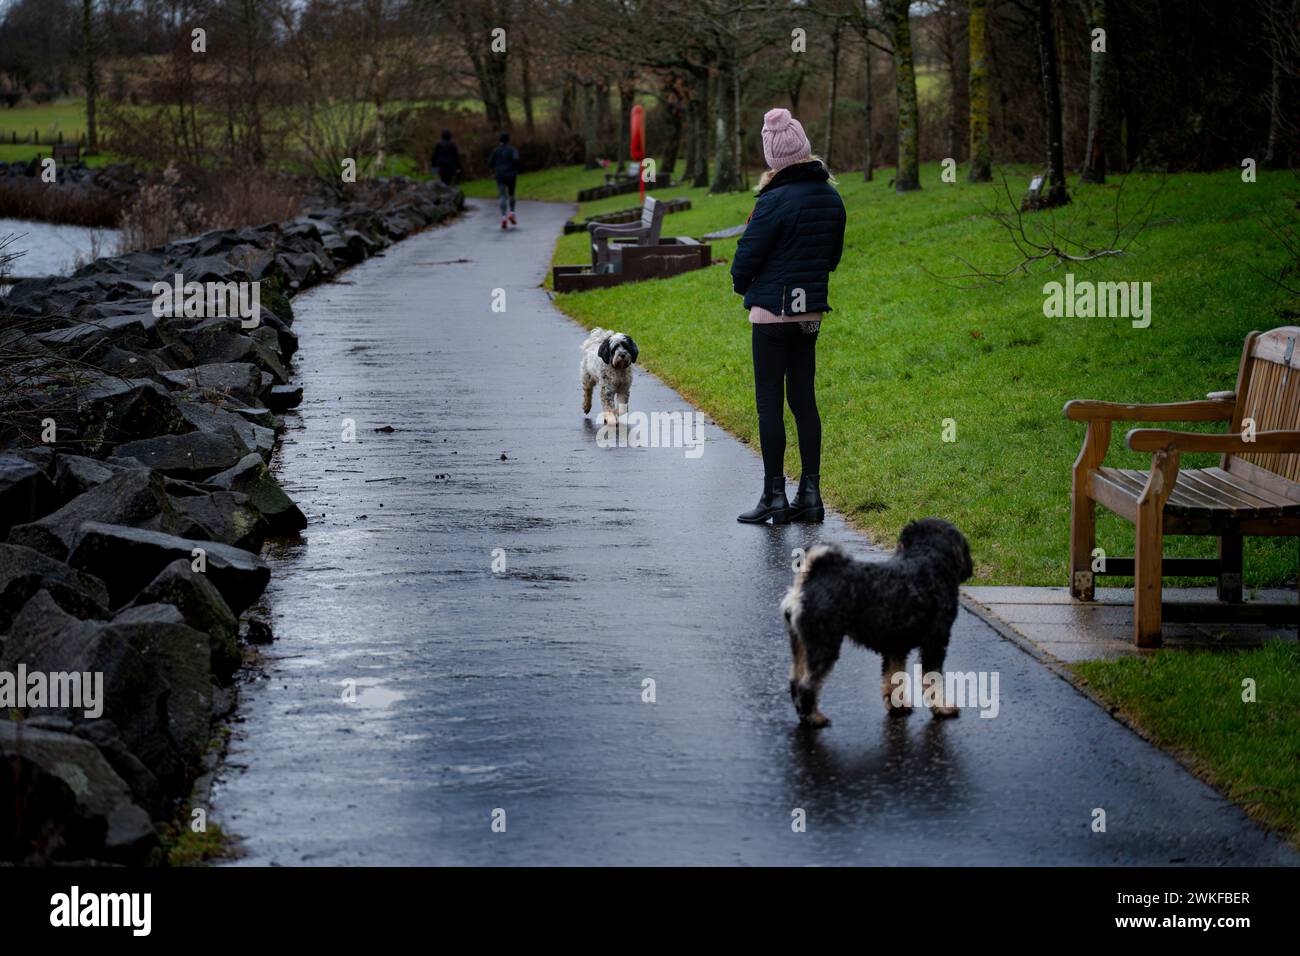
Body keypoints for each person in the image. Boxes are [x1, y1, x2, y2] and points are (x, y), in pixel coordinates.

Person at [731, 108, 846, 525]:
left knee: (769, 404)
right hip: (809, 314)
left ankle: (774, 496)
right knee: (804, 401)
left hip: (771, 314)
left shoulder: (773, 200)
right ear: (804, 147)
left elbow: (745, 259)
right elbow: (831, 259)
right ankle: (811, 496)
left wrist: (744, 287)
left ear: (773, 157)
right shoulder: (831, 197)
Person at [487, 131, 520, 229]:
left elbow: (490, 164)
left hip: (500, 175)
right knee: (511, 194)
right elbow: (516, 159)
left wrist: (497, 167)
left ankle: (503, 217)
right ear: (508, 140)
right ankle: (512, 213)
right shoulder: (513, 149)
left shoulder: (495, 151)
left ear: (499, 140)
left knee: (502, 196)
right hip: (511, 174)